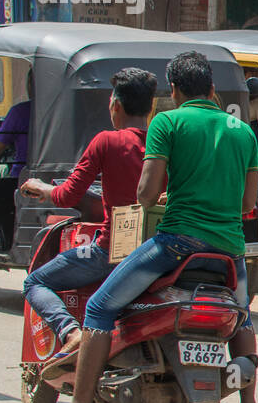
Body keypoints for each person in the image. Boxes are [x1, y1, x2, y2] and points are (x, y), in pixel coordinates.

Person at [29, 52, 258, 403]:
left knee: (100, 307)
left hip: (175, 245)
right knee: (242, 315)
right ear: (210, 87)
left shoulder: (166, 123)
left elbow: (146, 193)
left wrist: (169, 195)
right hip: (228, 252)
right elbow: (246, 204)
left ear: (173, 90)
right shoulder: (242, 132)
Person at [20, 68, 157, 357]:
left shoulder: (106, 141)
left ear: (115, 105)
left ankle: (70, 331)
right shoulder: (163, 143)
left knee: (35, 281)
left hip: (110, 253)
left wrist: (42, 188)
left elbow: (69, 194)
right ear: (151, 107)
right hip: (158, 253)